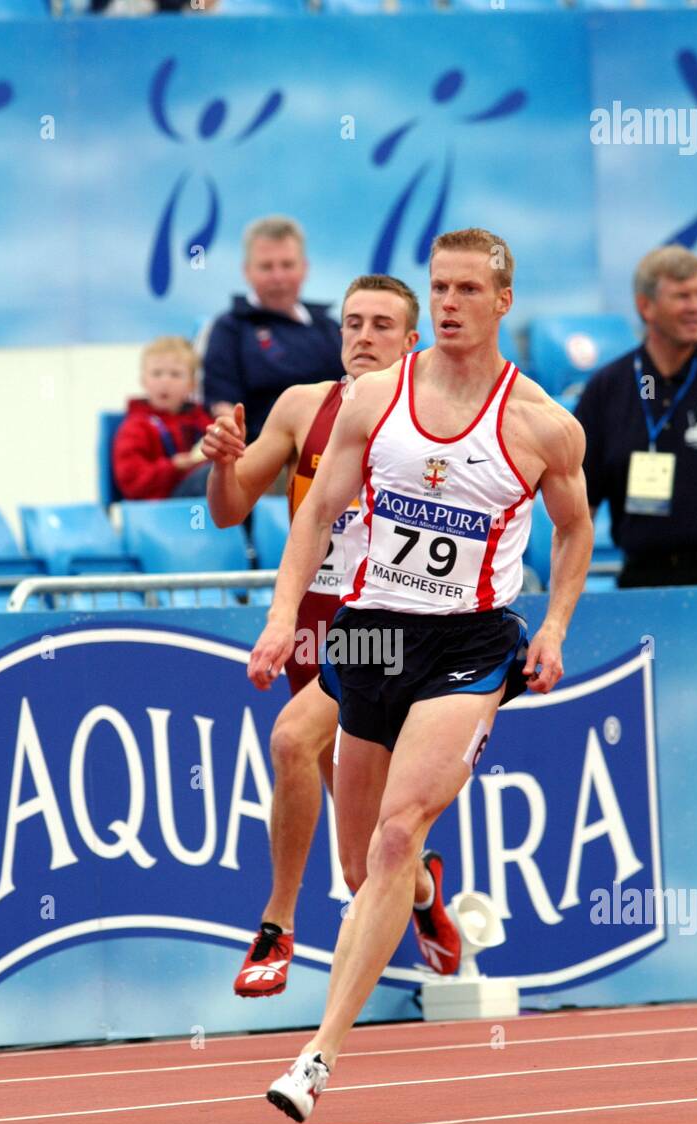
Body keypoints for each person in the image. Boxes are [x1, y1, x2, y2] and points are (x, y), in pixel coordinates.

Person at [248, 227, 592, 1122]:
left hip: (469, 645)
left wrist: (551, 626)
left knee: (396, 835)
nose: (447, 304)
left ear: (502, 301)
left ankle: (316, 1058)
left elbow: (574, 529)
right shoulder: (374, 398)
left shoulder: (540, 424)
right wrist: (284, 620)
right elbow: (319, 511)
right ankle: (428, 898)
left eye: (467, 290)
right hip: (369, 636)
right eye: (438, 288)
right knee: (365, 861)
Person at [204, 275, 464, 996]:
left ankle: (275, 926)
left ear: (412, 342)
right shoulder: (300, 407)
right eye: (352, 322)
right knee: (365, 862)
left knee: (289, 738)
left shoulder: (433, 422)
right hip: (318, 625)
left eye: (383, 325)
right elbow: (229, 513)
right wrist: (224, 463)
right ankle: (423, 892)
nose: (363, 336)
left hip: (383, 628)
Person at [575, 244, 697, 587]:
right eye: (682, 296)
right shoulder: (607, 389)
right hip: (647, 577)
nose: (696, 307)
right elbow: (580, 504)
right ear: (645, 306)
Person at [198, 216, 344, 444]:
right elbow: (221, 404)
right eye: (266, 266)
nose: (278, 277)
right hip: (260, 451)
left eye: (287, 265)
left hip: (333, 450)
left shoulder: (330, 327)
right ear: (247, 271)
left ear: (304, 268)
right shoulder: (230, 328)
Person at [113, 337, 212, 500]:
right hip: (160, 505)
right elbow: (132, 482)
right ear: (144, 381)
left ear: (192, 385)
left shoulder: (202, 420)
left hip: (200, 500)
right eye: (157, 373)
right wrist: (173, 467)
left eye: (175, 374)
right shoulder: (135, 427)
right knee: (212, 477)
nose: (165, 381)